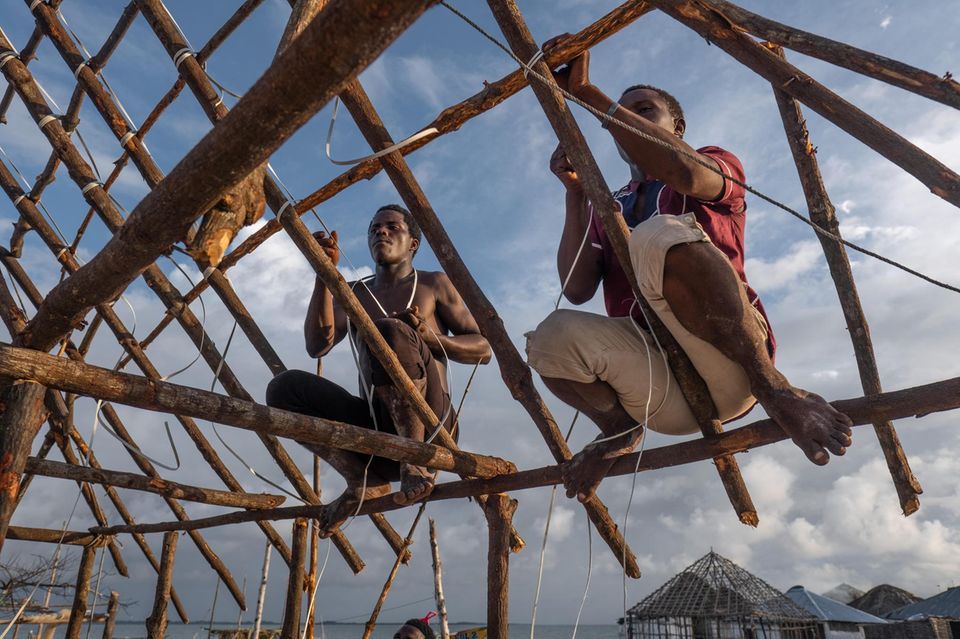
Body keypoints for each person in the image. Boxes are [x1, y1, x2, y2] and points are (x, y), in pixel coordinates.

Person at [525, 34, 854, 504]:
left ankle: (776, 389)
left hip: (731, 365)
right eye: (624, 112)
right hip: (657, 388)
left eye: (645, 109)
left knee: (659, 232)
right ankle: (618, 431)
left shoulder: (716, 163)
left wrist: (588, 95)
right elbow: (576, 289)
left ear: (676, 126)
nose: (633, 117)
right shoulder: (607, 203)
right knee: (550, 337)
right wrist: (576, 193)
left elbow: (685, 174)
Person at [266, 204, 491, 533]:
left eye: (391, 227)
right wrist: (324, 275)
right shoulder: (356, 293)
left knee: (387, 331)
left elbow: (484, 349)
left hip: (431, 427)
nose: (380, 232)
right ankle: (362, 478)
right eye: (374, 229)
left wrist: (429, 338)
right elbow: (317, 345)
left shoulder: (433, 285)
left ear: (413, 242)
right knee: (284, 389)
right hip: (378, 435)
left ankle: (412, 458)